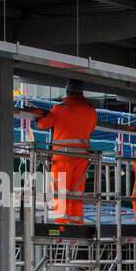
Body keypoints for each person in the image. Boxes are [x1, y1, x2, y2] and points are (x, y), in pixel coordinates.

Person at [28, 80, 98, 225]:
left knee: (61, 193)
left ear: (67, 91)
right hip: (82, 159)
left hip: (62, 158)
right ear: (81, 92)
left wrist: (35, 122)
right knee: (76, 194)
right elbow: (91, 128)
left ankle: (62, 225)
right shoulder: (91, 111)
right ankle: (76, 224)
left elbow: (43, 124)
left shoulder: (60, 108)